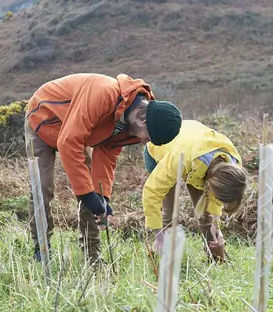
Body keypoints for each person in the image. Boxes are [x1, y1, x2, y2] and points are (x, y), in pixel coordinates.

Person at [24, 73, 182, 263]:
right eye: (148, 137)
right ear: (143, 121)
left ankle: (92, 255)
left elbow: (107, 154)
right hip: (43, 119)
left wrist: (101, 197)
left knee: (93, 193)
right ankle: (41, 249)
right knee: (42, 187)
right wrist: (85, 194)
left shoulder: (132, 123)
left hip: (75, 132)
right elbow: (69, 141)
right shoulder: (103, 93)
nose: (143, 142)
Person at [142, 120, 248, 262]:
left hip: (197, 154)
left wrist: (216, 225)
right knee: (169, 215)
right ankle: (161, 262)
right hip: (161, 147)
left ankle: (217, 260)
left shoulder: (232, 167)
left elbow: (216, 196)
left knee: (206, 216)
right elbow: (152, 193)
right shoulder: (182, 159)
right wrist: (158, 233)